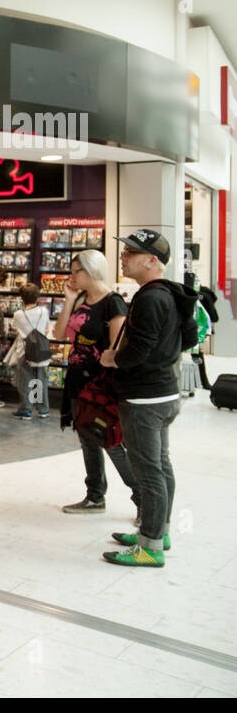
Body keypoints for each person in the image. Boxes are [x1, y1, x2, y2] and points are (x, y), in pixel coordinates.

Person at [100, 229, 195, 568]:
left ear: (152, 260)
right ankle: (158, 532)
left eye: (131, 252)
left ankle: (150, 545)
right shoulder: (167, 294)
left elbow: (140, 347)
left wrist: (114, 359)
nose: (123, 256)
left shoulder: (151, 298)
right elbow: (186, 339)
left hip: (144, 400)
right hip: (163, 393)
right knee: (160, 465)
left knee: (148, 471)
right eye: (125, 250)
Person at [52, 250, 136, 515]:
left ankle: (144, 498)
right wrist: (68, 301)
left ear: (90, 271)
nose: (72, 276)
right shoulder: (79, 299)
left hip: (101, 384)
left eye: (76, 271)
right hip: (77, 379)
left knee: (110, 441)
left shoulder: (113, 303)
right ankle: (95, 495)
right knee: (87, 438)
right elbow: (60, 334)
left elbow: (115, 347)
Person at [9, 283, 51, 420]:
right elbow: (46, 328)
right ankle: (42, 409)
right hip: (42, 350)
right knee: (41, 379)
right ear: (37, 297)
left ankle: (26, 409)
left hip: (25, 351)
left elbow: (17, 331)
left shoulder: (18, 315)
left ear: (22, 298)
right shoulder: (44, 311)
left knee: (25, 380)